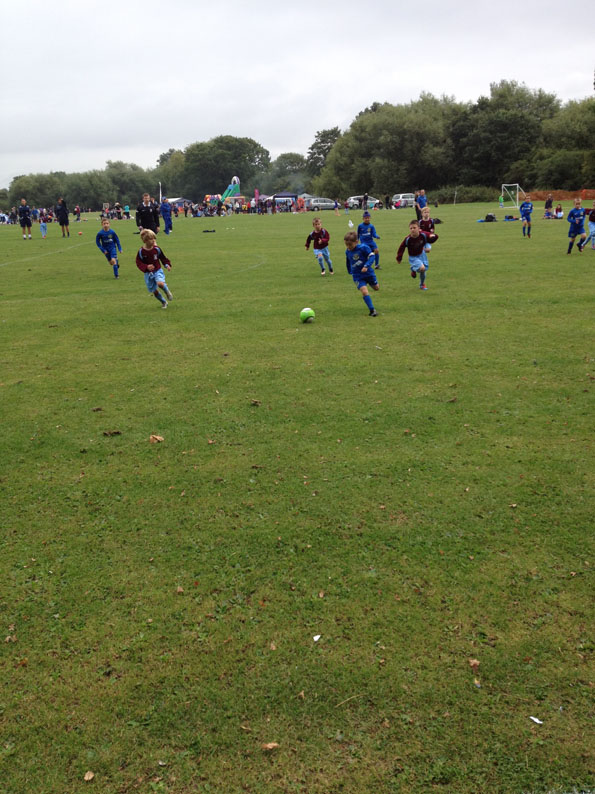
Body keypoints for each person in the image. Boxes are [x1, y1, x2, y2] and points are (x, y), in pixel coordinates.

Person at [396, 219, 438, 291]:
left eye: (414, 228)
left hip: (422, 254)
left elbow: (431, 238)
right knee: (422, 268)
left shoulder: (423, 234)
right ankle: (414, 268)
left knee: (423, 270)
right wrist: (399, 258)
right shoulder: (408, 239)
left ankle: (422, 284)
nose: (412, 230)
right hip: (413, 257)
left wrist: (434, 236)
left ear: (419, 228)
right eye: (411, 228)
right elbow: (401, 248)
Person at [344, 230, 379, 316]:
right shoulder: (347, 251)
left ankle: (371, 283)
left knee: (376, 288)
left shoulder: (363, 248)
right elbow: (348, 261)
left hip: (368, 273)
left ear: (356, 242)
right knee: (364, 291)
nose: (348, 247)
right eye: (346, 244)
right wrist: (349, 271)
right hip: (357, 275)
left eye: (350, 245)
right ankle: (372, 310)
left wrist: (366, 266)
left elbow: (372, 256)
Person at [135, 229, 173, 308]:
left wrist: (167, 264)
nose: (154, 240)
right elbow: (138, 263)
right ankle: (163, 302)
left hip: (158, 270)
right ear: (145, 240)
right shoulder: (141, 252)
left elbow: (163, 258)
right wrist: (146, 267)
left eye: (154, 238)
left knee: (160, 283)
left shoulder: (156, 249)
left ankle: (167, 292)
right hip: (148, 274)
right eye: (151, 239)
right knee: (155, 291)